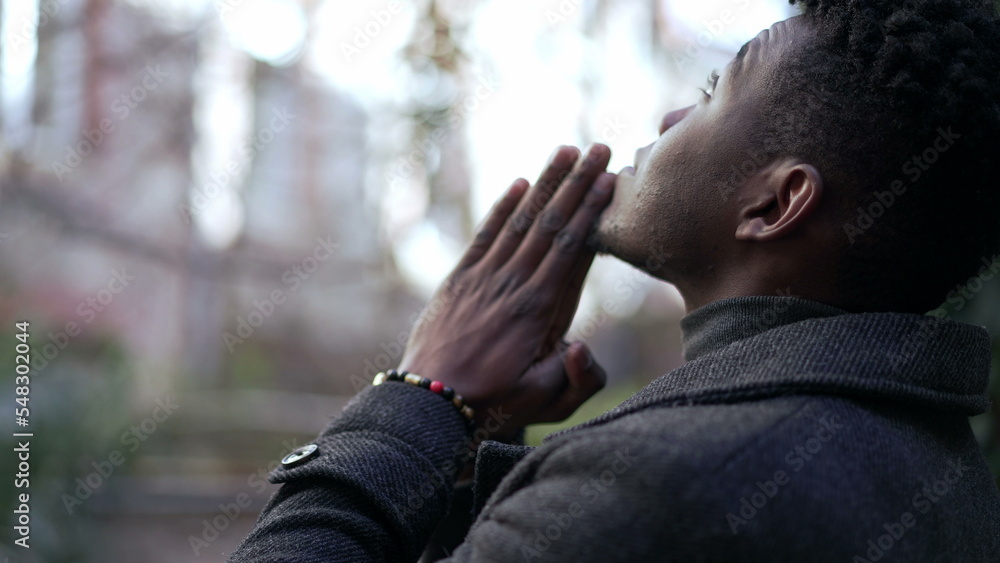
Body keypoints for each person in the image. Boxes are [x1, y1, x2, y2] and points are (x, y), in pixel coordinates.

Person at [230, 0, 1000, 560]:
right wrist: (474, 429)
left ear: (775, 202)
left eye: (709, 94)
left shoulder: (664, 484)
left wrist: (416, 395)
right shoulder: (937, 459)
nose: (669, 119)